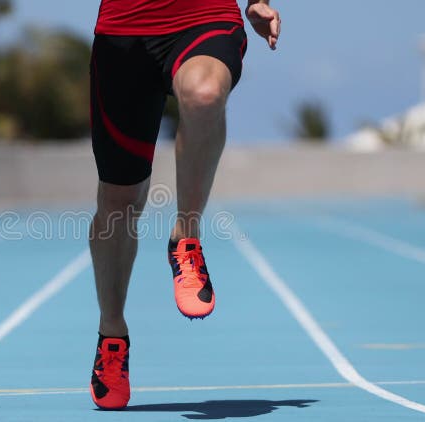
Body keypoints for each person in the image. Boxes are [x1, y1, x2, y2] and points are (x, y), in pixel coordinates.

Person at [88, 0, 281, 410]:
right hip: (124, 30)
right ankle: (112, 333)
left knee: (205, 94)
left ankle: (185, 236)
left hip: (204, 15)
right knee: (119, 201)